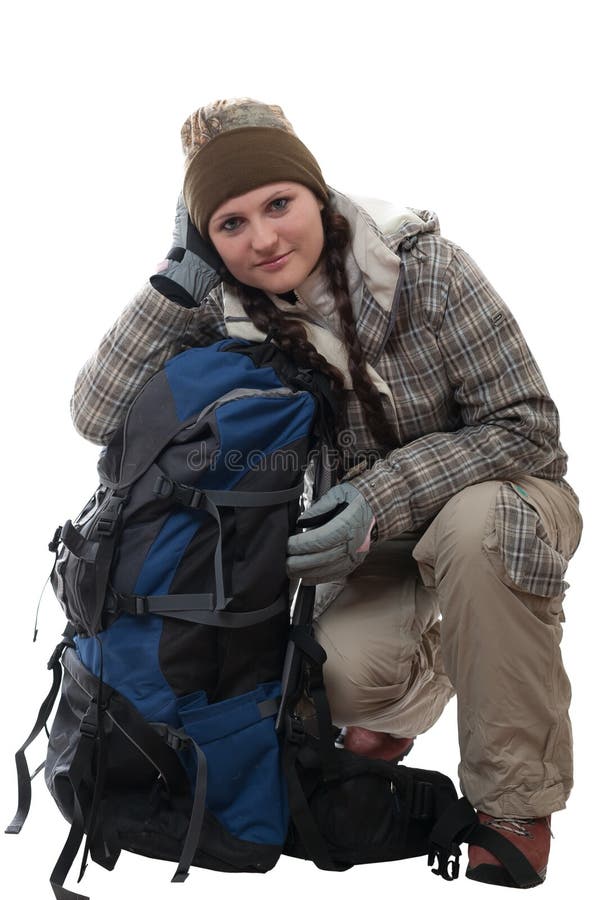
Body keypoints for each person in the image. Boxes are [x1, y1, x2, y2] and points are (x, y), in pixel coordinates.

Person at [70, 97, 582, 888]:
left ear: (316, 193)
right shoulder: (224, 307)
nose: (264, 238)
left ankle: (516, 804)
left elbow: (529, 429)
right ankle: (439, 675)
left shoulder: (428, 268)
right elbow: (96, 415)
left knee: (481, 533)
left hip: (502, 500)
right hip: (365, 552)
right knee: (333, 683)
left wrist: (381, 493)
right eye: (231, 224)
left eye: (278, 204)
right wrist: (176, 284)